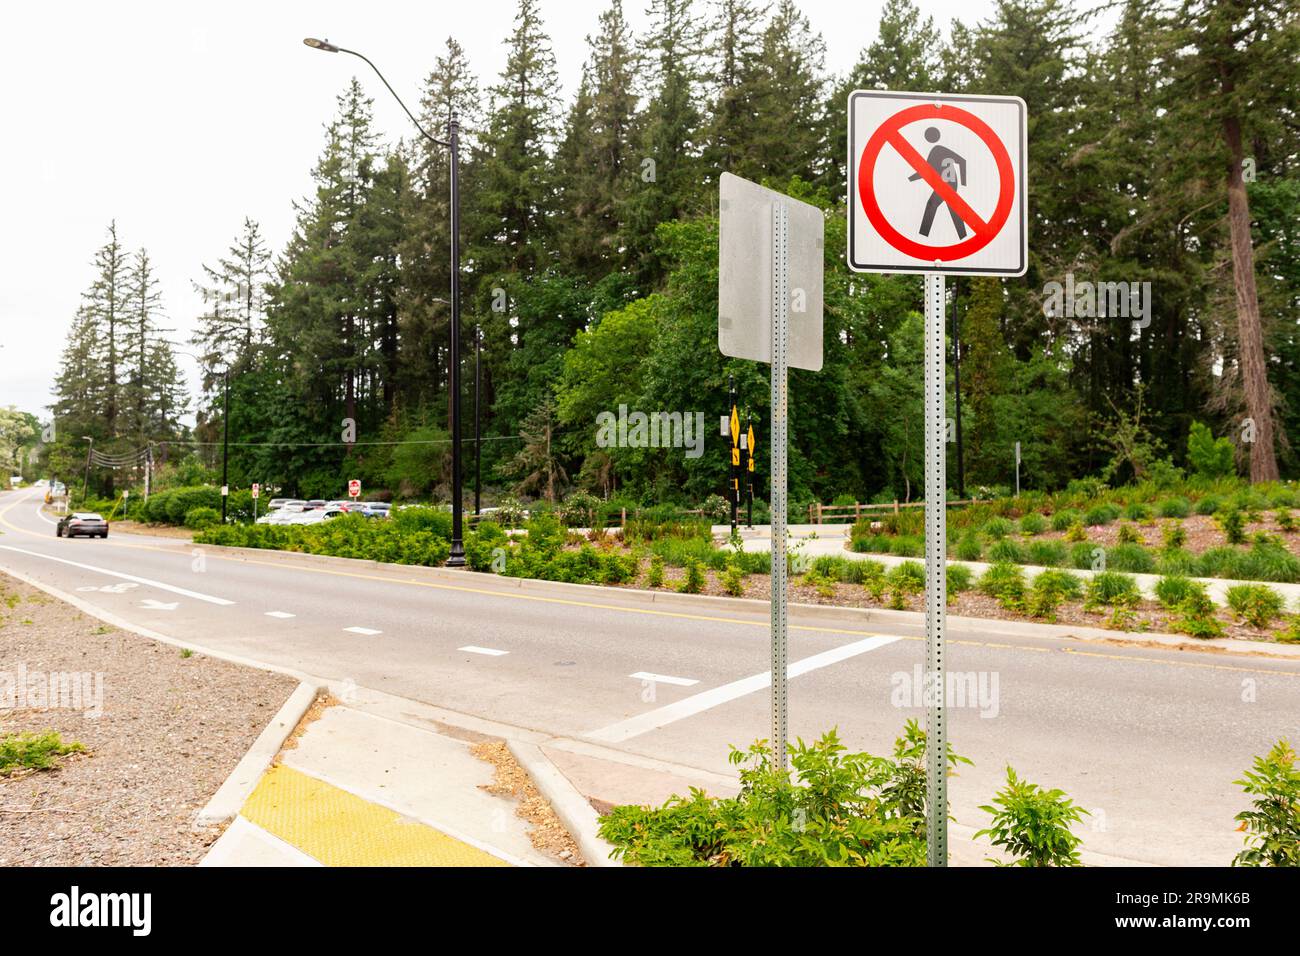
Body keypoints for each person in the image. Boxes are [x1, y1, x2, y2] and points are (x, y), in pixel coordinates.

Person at [908, 126, 968, 239]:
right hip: (949, 186)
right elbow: (962, 161)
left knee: (931, 205)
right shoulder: (940, 150)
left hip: (945, 186)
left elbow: (924, 171)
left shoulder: (935, 151)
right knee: (953, 208)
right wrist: (962, 183)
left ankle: (922, 236)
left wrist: (964, 183)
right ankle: (963, 236)